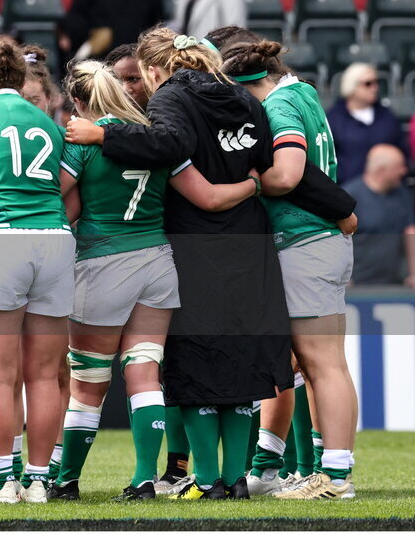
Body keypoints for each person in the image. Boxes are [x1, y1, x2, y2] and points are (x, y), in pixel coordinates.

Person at [65, 28, 355, 500]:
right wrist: (341, 206)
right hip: (251, 244)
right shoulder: (243, 100)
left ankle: (202, 478)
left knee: (194, 358)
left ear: (156, 69)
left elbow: (170, 145)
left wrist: (103, 134)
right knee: (242, 357)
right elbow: (281, 168)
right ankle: (239, 478)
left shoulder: (171, 99)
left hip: (194, 246)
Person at [54, 60, 257, 502]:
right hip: (158, 263)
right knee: (145, 376)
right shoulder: (158, 142)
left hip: (102, 263)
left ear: (77, 101)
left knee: (88, 383)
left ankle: (65, 480)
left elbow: (57, 205)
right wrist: (254, 184)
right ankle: (144, 479)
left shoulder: (82, 142)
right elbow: (207, 196)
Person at [221, 39, 359, 501]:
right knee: (317, 364)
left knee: (323, 364)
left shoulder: (278, 106)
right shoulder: (304, 94)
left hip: (305, 243)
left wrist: (252, 180)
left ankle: (335, 478)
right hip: (321, 242)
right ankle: (320, 471)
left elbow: (288, 174)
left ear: (249, 85)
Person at [0, 35, 77, 504]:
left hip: (0, 238)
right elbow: (64, 183)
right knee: (45, 375)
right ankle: (39, 481)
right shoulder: (48, 123)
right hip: (55, 238)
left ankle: (2, 483)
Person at [344, 144, 415, 287]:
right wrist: (342, 276)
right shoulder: (349, 196)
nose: (404, 171)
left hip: (394, 283)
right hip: (357, 285)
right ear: (382, 170)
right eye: (399, 166)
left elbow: (410, 232)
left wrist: (413, 274)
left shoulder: (401, 194)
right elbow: (337, 239)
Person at [327, 63, 406, 184]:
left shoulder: (387, 116)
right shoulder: (334, 118)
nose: (375, 87)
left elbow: (400, 148)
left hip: (384, 189)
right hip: (346, 189)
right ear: (351, 86)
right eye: (368, 83)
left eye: (376, 82)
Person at [104, 43, 148, 110]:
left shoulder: (167, 115)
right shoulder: (106, 120)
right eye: (117, 81)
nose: (125, 89)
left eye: (133, 79)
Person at [20, 45, 59, 116]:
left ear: (48, 97)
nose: (29, 108)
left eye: (34, 101)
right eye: (21, 102)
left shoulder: (57, 127)